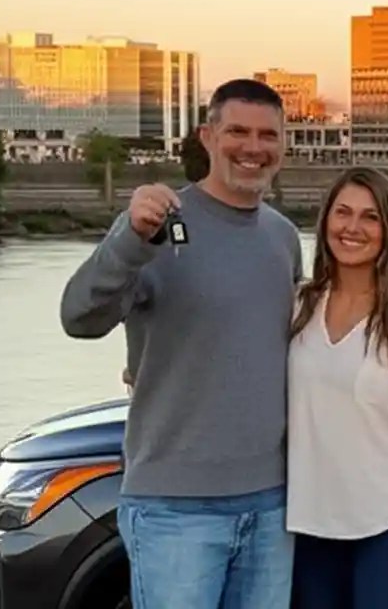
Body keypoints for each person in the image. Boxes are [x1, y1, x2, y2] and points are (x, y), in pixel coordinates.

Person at [59, 79, 303, 609]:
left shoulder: (283, 237)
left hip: (271, 506)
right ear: (208, 136)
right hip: (175, 509)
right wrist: (128, 238)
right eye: (237, 131)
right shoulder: (153, 227)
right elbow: (79, 317)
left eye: (268, 135)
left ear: (283, 145)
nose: (252, 147)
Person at [286, 166, 388, 608]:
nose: (352, 228)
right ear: (325, 221)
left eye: (370, 217)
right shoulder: (299, 306)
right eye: (342, 213)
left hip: (387, 528)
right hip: (306, 525)